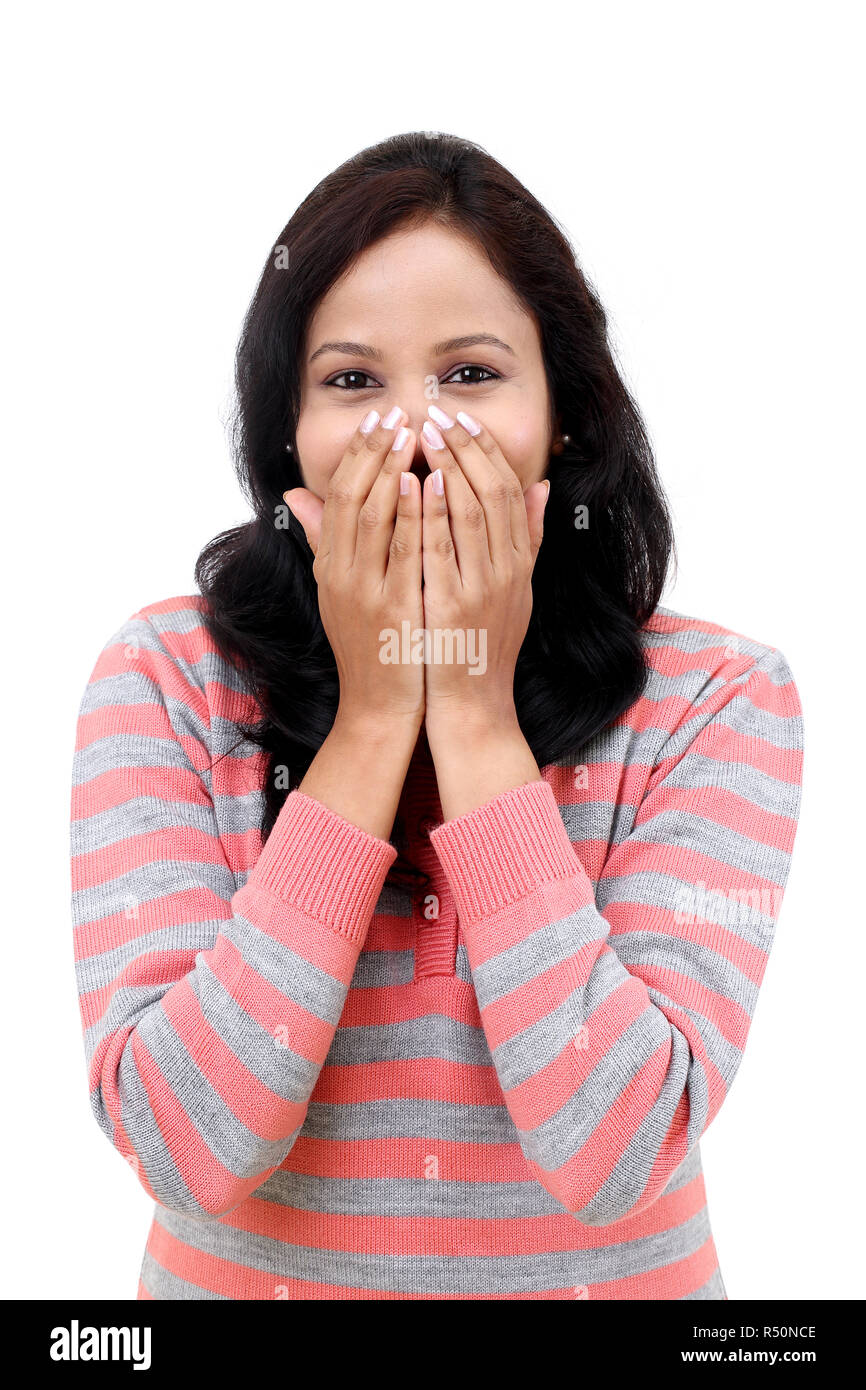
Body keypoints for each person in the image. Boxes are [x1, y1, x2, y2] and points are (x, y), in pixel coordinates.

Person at [70, 131, 803, 1300]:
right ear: (286, 440)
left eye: (469, 374)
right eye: (352, 381)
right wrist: (369, 727)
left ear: (559, 414)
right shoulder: (165, 678)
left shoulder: (716, 700)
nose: (413, 437)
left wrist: (465, 707)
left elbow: (617, 1152)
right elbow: (182, 1145)